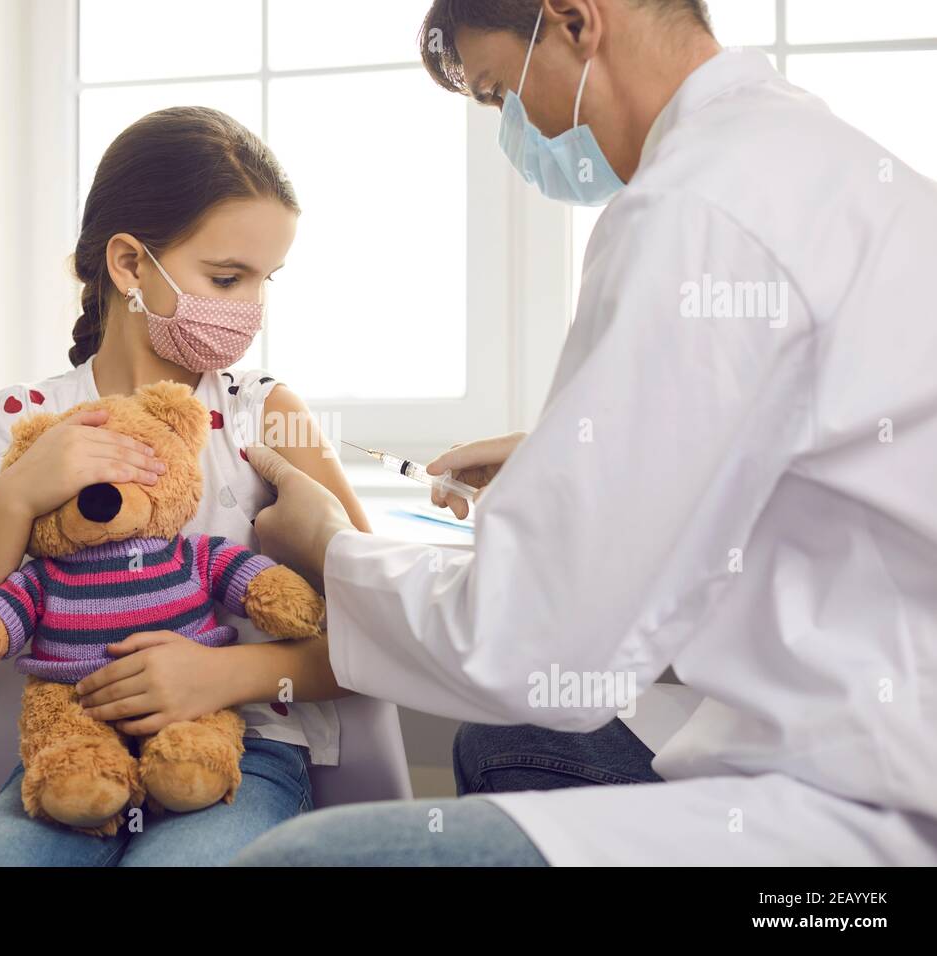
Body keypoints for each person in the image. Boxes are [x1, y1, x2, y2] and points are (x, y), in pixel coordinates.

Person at [231, 0, 937, 865]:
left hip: (870, 805)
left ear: (573, 21)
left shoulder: (695, 210)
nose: (516, 129)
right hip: (878, 720)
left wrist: (332, 548)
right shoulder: (806, 160)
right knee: (504, 746)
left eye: (500, 92)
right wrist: (565, 453)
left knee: (297, 862)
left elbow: (536, 647)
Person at [0, 107, 369, 866]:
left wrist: (220, 675)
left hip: (244, 749)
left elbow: (379, 637)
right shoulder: (25, 420)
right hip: (75, 748)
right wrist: (17, 495)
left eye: (264, 281)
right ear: (130, 265)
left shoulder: (266, 414)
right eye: (227, 278)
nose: (250, 309)